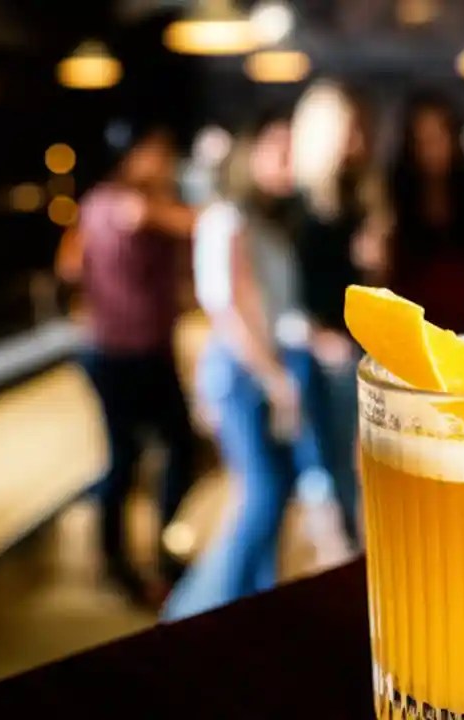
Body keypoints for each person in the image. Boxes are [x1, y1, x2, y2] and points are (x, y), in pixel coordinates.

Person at [164, 113, 308, 619]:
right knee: (262, 493)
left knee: (275, 491)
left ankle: (256, 605)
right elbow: (230, 308)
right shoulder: (228, 218)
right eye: (280, 149)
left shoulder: (264, 218)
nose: (291, 161)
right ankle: (201, 608)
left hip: (261, 366)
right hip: (242, 369)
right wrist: (276, 378)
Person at [66, 126, 197, 605]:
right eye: (157, 153)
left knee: (172, 449)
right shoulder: (118, 202)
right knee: (127, 458)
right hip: (121, 353)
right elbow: (185, 222)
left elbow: (70, 266)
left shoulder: (106, 205)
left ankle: (152, 549)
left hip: (144, 349)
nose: (165, 162)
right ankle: (117, 561)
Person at [284, 81, 380, 550]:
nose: (357, 142)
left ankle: (351, 548)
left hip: (350, 345)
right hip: (317, 350)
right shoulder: (297, 206)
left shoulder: (350, 198)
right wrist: (321, 336)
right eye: (349, 130)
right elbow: (288, 297)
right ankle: (343, 553)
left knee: (354, 458)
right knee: (329, 462)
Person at [384, 91, 464, 334]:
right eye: (423, 139)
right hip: (415, 324)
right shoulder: (393, 197)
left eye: (438, 136)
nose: (432, 149)